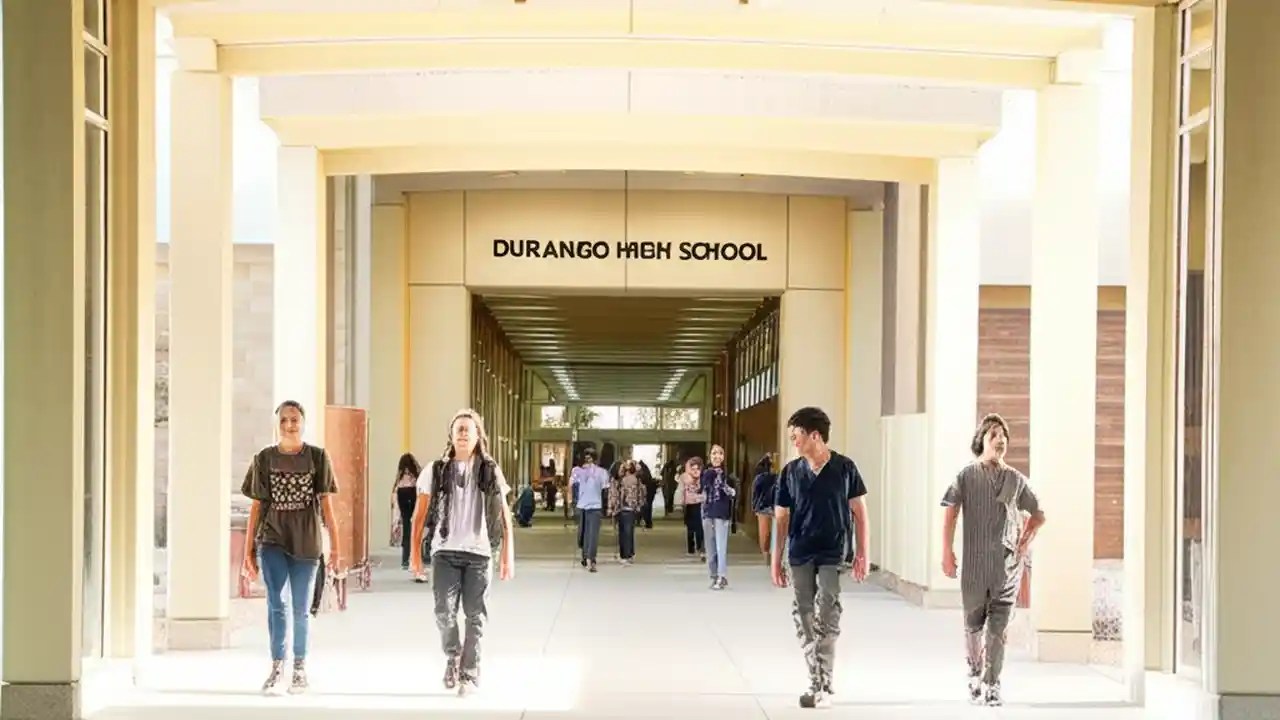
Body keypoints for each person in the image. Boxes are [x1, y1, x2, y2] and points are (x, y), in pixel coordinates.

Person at [941, 412, 1046, 707]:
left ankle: (992, 683)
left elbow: (1038, 514)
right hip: (975, 568)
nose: (1000, 440)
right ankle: (975, 673)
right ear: (982, 441)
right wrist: (947, 552)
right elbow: (950, 513)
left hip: (1006, 568)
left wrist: (1024, 541)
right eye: (994, 435)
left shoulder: (1016, 480)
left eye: (1004, 436)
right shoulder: (965, 476)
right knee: (974, 626)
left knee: (998, 629)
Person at [409, 409, 516, 697]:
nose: (464, 433)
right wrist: (415, 554)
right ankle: (453, 655)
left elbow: (503, 513)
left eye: (469, 429)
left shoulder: (490, 469)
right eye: (459, 428)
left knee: (475, 616)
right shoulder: (435, 470)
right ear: (452, 435)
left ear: (479, 436)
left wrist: (508, 552)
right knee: (444, 612)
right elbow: (418, 516)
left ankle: (469, 671)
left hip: (479, 554)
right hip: (445, 551)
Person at [240, 400, 341, 695]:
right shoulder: (263, 459)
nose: (289, 425)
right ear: (277, 424)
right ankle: (277, 666)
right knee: (276, 603)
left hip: (307, 542)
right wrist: (247, 553)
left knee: (301, 607)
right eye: (284, 420)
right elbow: (256, 509)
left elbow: (327, 507)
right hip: (272, 538)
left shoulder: (318, 458)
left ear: (303, 423)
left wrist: (335, 548)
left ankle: (299, 667)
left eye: (294, 419)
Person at [772, 406, 869, 710]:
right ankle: (816, 676)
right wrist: (776, 559)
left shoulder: (845, 468)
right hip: (800, 551)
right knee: (804, 614)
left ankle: (823, 679)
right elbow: (781, 518)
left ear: (815, 435)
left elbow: (860, 513)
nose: (793, 441)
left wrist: (863, 553)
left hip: (832, 551)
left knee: (827, 610)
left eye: (796, 435)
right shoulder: (790, 472)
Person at [701, 445, 736, 589]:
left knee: (721, 546)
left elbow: (733, 493)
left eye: (720, 453)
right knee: (710, 547)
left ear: (723, 457)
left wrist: (724, 485)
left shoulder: (727, 475)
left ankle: (722, 576)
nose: (717, 456)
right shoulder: (706, 473)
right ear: (709, 456)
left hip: (721, 513)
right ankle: (714, 575)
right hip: (707, 512)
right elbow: (702, 490)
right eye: (714, 453)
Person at [571, 449, 610, 572]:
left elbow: (605, 490)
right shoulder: (578, 471)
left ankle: (590, 558)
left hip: (592, 506)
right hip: (584, 506)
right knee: (585, 534)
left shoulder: (601, 472)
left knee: (590, 534)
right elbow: (572, 486)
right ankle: (586, 555)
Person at [608, 459, 646, 564]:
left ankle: (626, 554)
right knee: (626, 531)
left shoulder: (624, 480)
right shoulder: (632, 480)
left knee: (625, 532)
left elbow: (613, 495)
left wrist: (611, 508)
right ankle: (628, 553)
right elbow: (641, 494)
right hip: (627, 508)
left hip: (625, 508)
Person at [392, 453, 422, 571]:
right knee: (415, 527)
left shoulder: (400, 477)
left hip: (402, 494)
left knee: (406, 527)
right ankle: (415, 558)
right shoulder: (416, 476)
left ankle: (405, 559)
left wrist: (396, 519)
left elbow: (395, 493)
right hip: (413, 493)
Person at [751, 453, 778, 561]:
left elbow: (755, 494)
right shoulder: (776, 477)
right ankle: (772, 553)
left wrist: (754, 507)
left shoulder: (758, 479)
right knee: (774, 531)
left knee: (763, 532)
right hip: (773, 506)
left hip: (761, 507)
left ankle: (765, 553)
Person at [679, 457, 706, 560]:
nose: (695, 471)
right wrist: (682, 501)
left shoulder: (703, 477)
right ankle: (692, 548)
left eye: (697, 468)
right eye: (693, 468)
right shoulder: (685, 477)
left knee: (698, 526)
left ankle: (699, 547)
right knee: (690, 527)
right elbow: (682, 490)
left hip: (698, 503)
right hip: (690, 504)